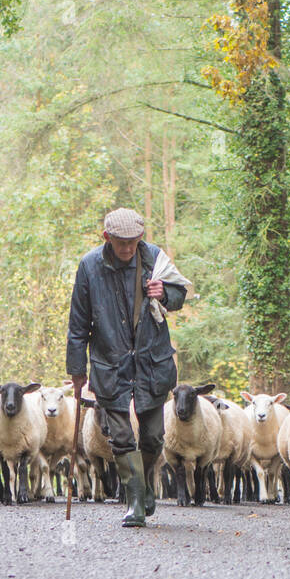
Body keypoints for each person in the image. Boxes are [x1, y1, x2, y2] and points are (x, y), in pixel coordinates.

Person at [66, 208, 190, 527]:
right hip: (110, 362)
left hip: (152, 359)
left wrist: (167, 293)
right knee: (121, 437)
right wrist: (77, 369)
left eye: (133, 243)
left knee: (153, 436)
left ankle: (145, 483)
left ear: (140, 238)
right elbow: (78, 324)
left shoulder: (154, 258)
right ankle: (134, 499)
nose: (127, 249)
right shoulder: (90, 266)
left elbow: (180, 293)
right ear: (107, 237)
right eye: (121, 243)